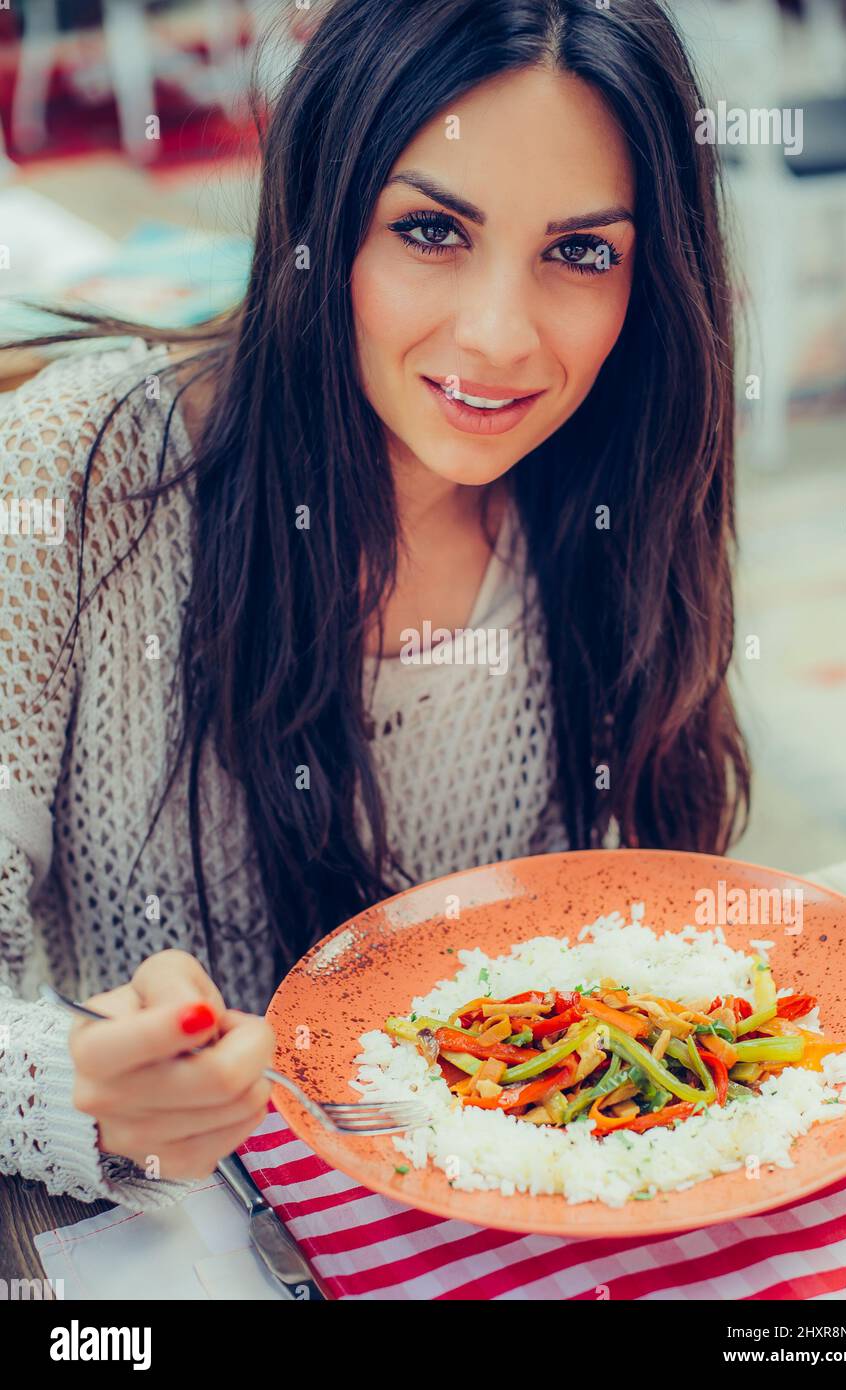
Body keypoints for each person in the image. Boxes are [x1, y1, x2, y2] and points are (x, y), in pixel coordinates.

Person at [0, 0, 750, 1209]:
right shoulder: (75, 473)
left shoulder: (620, 501)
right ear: (319, 216)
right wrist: (79, 1085)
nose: (499, 336)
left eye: (580, 251)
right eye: (429, 229)